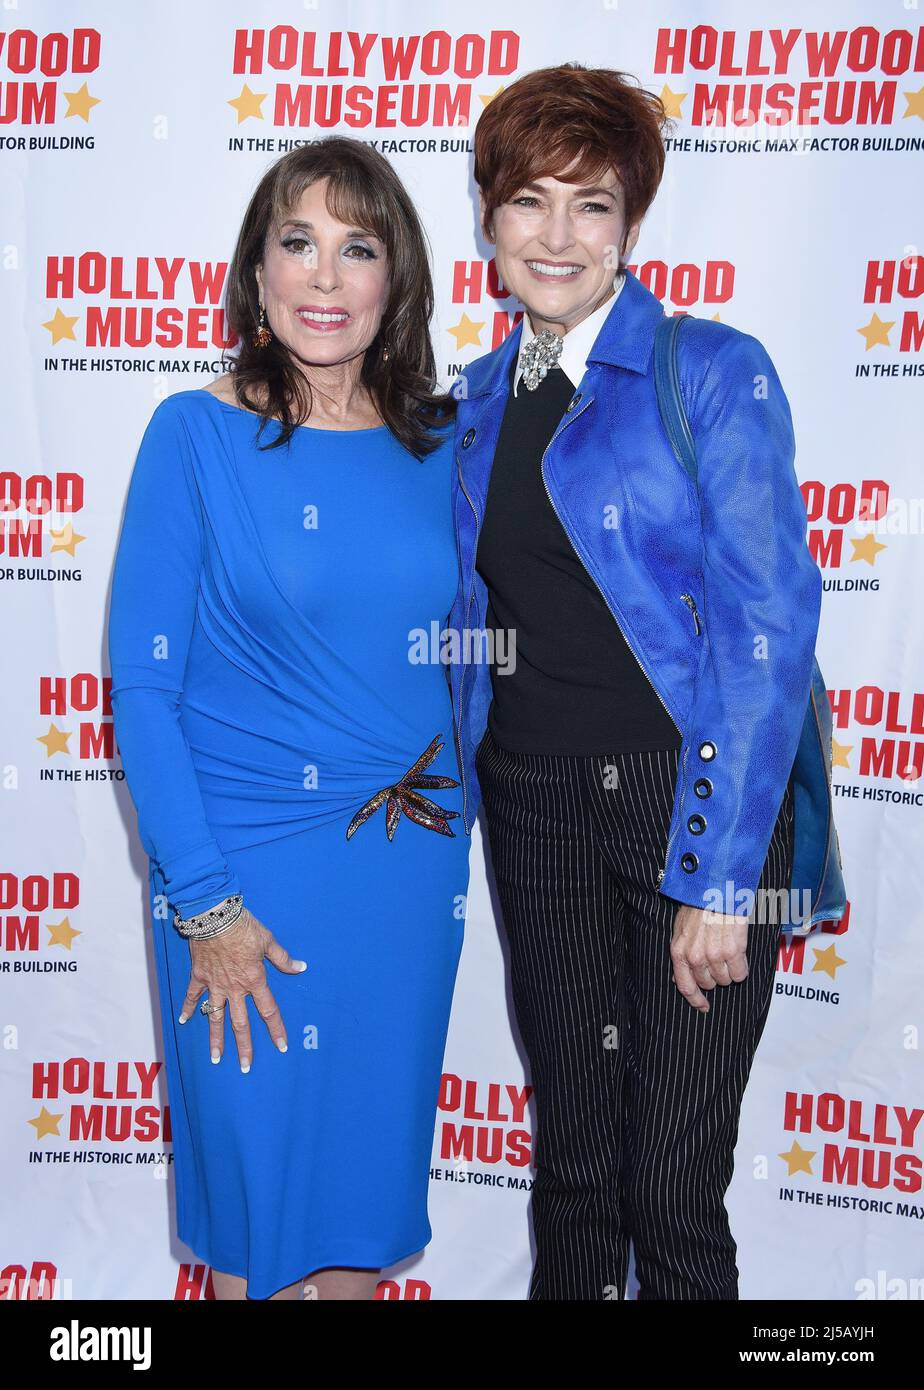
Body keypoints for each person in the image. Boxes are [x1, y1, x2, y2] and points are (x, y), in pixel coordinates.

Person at [447, 63, 845, 1300]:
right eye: (529, 201)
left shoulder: (711, 370)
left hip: (699, 805)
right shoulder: (467, 404)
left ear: (632, 225)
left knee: (672, 1189)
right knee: (572, 1170)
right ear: (487, 218)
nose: (557, 236)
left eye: (594, 204)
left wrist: (723, 875)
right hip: (536, 805)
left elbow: (768, 624)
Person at [108, 137, 468, 1301]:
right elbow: (145, 689)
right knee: (259, 1226)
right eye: (297, 242)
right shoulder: (194, 436)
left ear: (394, 280)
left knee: (358, 1228)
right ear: (256, 273)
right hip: (241, 878)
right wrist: (203, 900)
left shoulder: (443, 445)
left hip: (406, 882)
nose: (324, 277)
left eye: (356, 248)